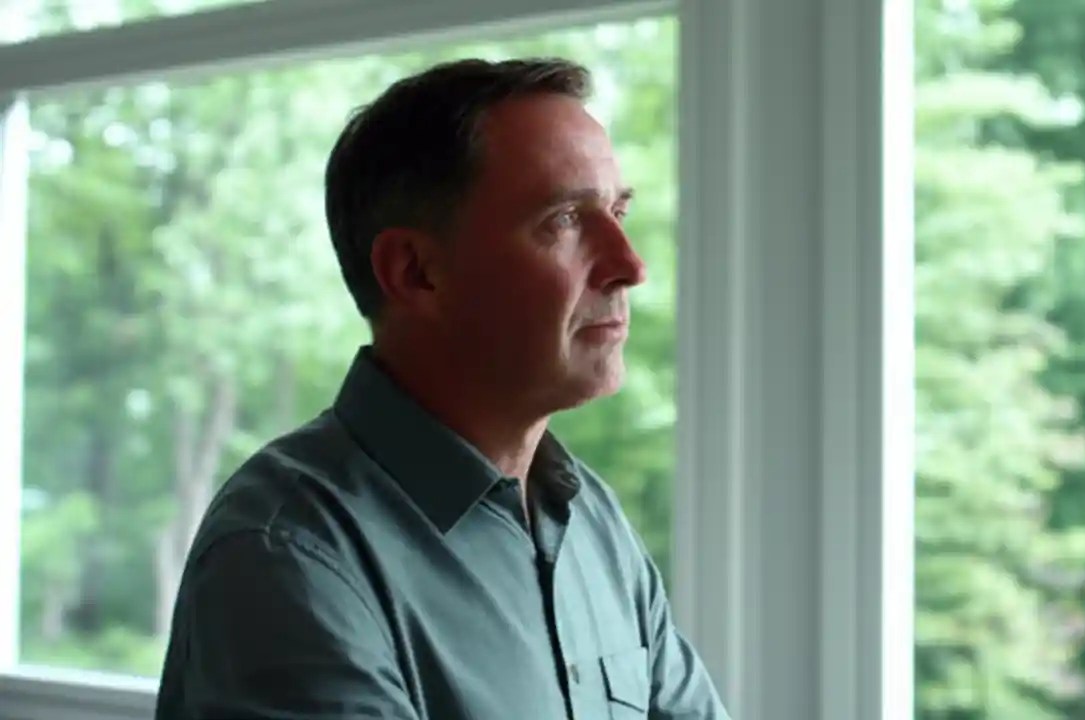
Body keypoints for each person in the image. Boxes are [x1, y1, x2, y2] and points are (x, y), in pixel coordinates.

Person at [153, 57, 730, 719]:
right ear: (416, 272)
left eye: (618, 211)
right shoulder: (287, 554)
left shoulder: (590, 520)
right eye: (565, 220)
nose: (630, 265)